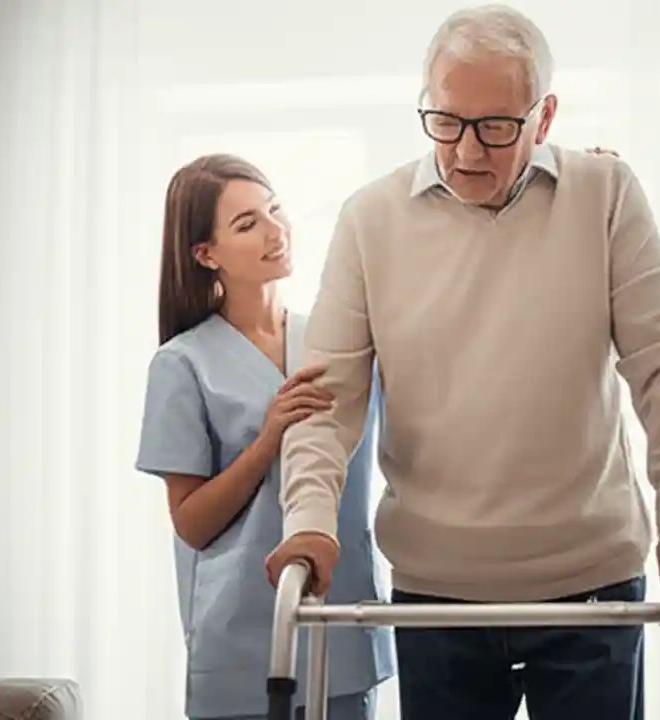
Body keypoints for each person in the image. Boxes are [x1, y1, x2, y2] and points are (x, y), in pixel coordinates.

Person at [265, 5, 660, 720]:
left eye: (496, 127)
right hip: (437, 585)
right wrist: (308, 520)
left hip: (590, 578)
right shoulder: (370, 218)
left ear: (543, 119)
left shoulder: (605, 196)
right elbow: (326, 399)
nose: (465, 152)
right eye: (447, 121)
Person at [134, 154, 394, 720]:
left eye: (274, 210)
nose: (276, 231)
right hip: (240, 639)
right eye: (248, 224)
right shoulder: (182, 364)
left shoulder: (337, 345)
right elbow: (192, 523)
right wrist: (267, 439)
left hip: (341, 621)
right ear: (206, 255)